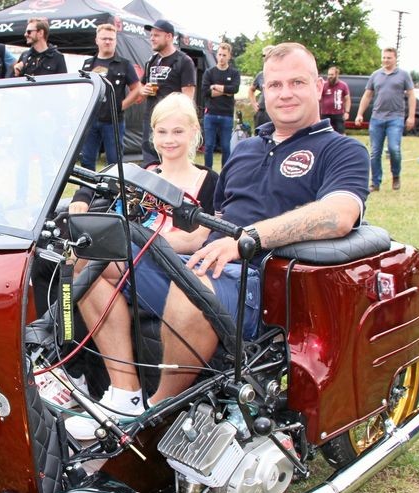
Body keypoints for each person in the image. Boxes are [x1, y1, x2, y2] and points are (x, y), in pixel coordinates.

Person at [66, 43, 368, 439]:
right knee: (94, 262)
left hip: (265, 283)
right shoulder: (244, 150)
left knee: (193, 289)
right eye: (275, 84)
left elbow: (339, 214)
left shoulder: (342, 150)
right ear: (262, 93)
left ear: (317, 87)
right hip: (213, 260)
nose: (286, 92)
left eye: (297, 82)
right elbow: (217, 224)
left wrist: (249, 239)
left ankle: (157, 411)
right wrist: (147, 242)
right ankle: (125, 394)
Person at [78, 23, 141, 171]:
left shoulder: (124, 64)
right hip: (90, 120)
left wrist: (121, 105)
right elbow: (82, 89)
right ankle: (87, 192)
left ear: (115, 41)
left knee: (114, 161)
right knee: (87, 160)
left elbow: (137, 88)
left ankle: (112, 192)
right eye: (104, 38)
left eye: (111, 39)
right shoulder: (88, 64)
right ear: (97, 40)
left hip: (113, 121)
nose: (108, 42)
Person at [354, 47, 415, 192]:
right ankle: (375, 182)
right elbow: (367, 95)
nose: (385, 60)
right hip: (377, 118)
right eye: (384, 57)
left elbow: (411, 95)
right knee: (375, 152)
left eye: (389, 57)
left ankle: (396, 176)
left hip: (396, 118)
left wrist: (411, 116)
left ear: (395, 59)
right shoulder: (375, 75)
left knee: (394, 149)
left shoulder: (403, 75)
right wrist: (359, 113)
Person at [138, 19, 196, 165]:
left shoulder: (184, 61)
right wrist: (143, 90)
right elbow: (140, 88)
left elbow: (188, 98)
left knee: (170, 162)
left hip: (172, 122)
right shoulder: (151, 61)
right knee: (150, 161)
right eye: (151, 35)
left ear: (169, 37)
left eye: (156, 35)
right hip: (151, 119)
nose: (152, 38)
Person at [201, 42, 240, 169]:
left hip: (226, 114)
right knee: (209, 146)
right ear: (216, 55)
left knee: (225, 146)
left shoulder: (234, 73)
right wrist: (225, 91)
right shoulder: (209, 72)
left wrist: (216, 87)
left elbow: (234, 89)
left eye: (224, 55)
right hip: (211, 113)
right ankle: (208, 171)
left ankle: (225, 173)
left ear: (229, 56)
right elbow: (205, 91)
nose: (221, 57)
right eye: (219, 54)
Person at [248, 45, 274, 129]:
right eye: (263, 55)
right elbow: (251, 90)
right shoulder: (260, 75)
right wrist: (254, 104)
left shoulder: (280, 73)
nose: (265, 58)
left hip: (275, 111)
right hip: (262, 111)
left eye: (268, 55)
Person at [320, 66, 350, 134]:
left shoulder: (343, 85)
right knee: (325, 133)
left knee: (340, 133)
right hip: (325, 114)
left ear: (336, 75)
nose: (329, 76)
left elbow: (347, 99)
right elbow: (318, 98)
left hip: (338, 114)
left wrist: (347, 112)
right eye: (328, 74)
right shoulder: (324, 85)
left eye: (331, 74)